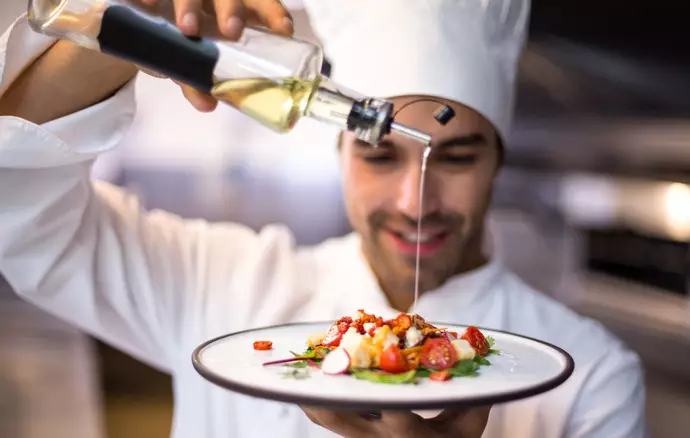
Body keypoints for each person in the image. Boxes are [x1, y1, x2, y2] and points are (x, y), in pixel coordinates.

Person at [0, 0, 646, 437]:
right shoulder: (221, 283)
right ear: (340, 148)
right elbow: (18, 211)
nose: (413, 202)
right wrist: (121, 26)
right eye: (379, 155)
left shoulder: (590, 373)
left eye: (456, 157)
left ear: (499, 162)